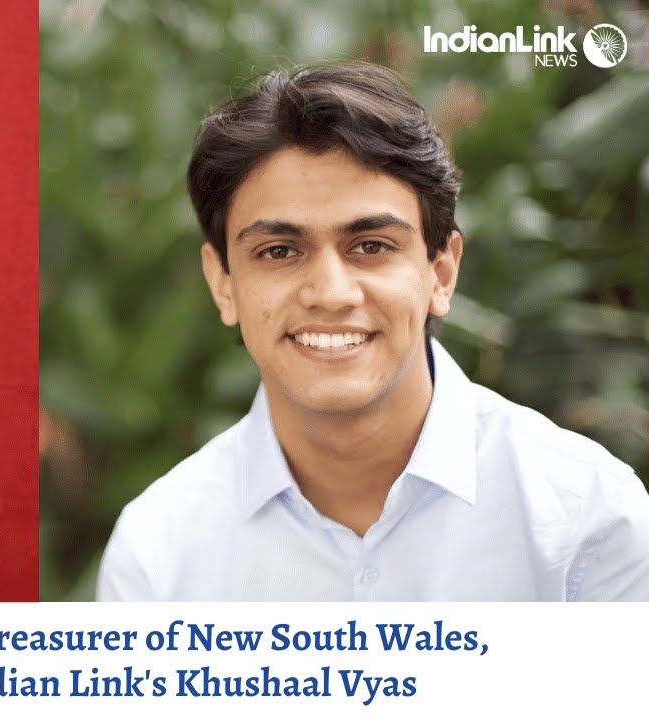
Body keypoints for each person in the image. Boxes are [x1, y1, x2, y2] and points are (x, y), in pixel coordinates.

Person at [97, 63, 649, 601]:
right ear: (223, 284)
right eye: (280, 251)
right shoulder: (158, 555)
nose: (332, 293)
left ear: (441, 272)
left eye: (371, 246)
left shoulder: (589, 521)